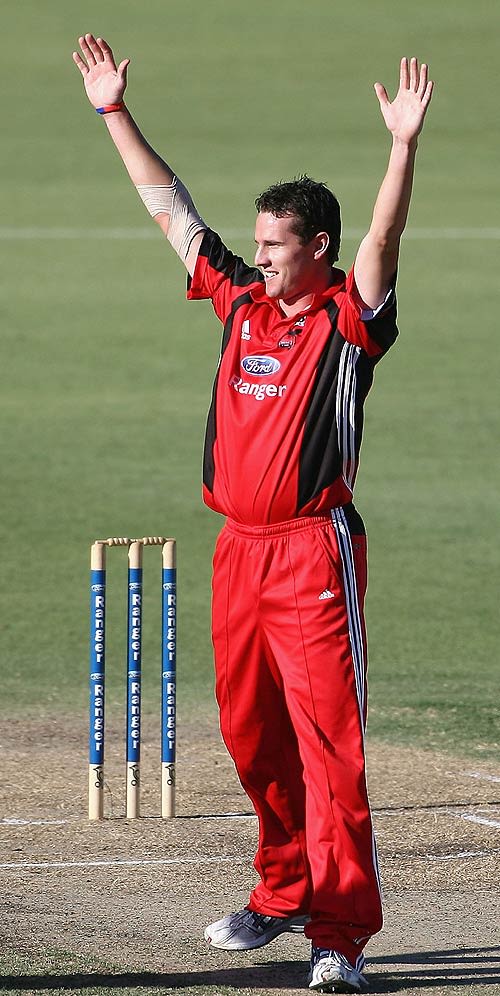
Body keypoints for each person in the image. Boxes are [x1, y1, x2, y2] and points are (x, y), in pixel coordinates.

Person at [73, 35, 433, 993]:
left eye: (276, 245)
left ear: (318, 250)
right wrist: (114, 111)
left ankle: (340, 935)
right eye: (260, 243)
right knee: (250, 733)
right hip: (238, 551)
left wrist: (401, 149)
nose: (260, 255)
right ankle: (281, 891)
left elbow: (383, 244)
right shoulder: (240, 303)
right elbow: (172, 211)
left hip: (313, 553)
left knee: (329, 748)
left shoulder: (349, 322)